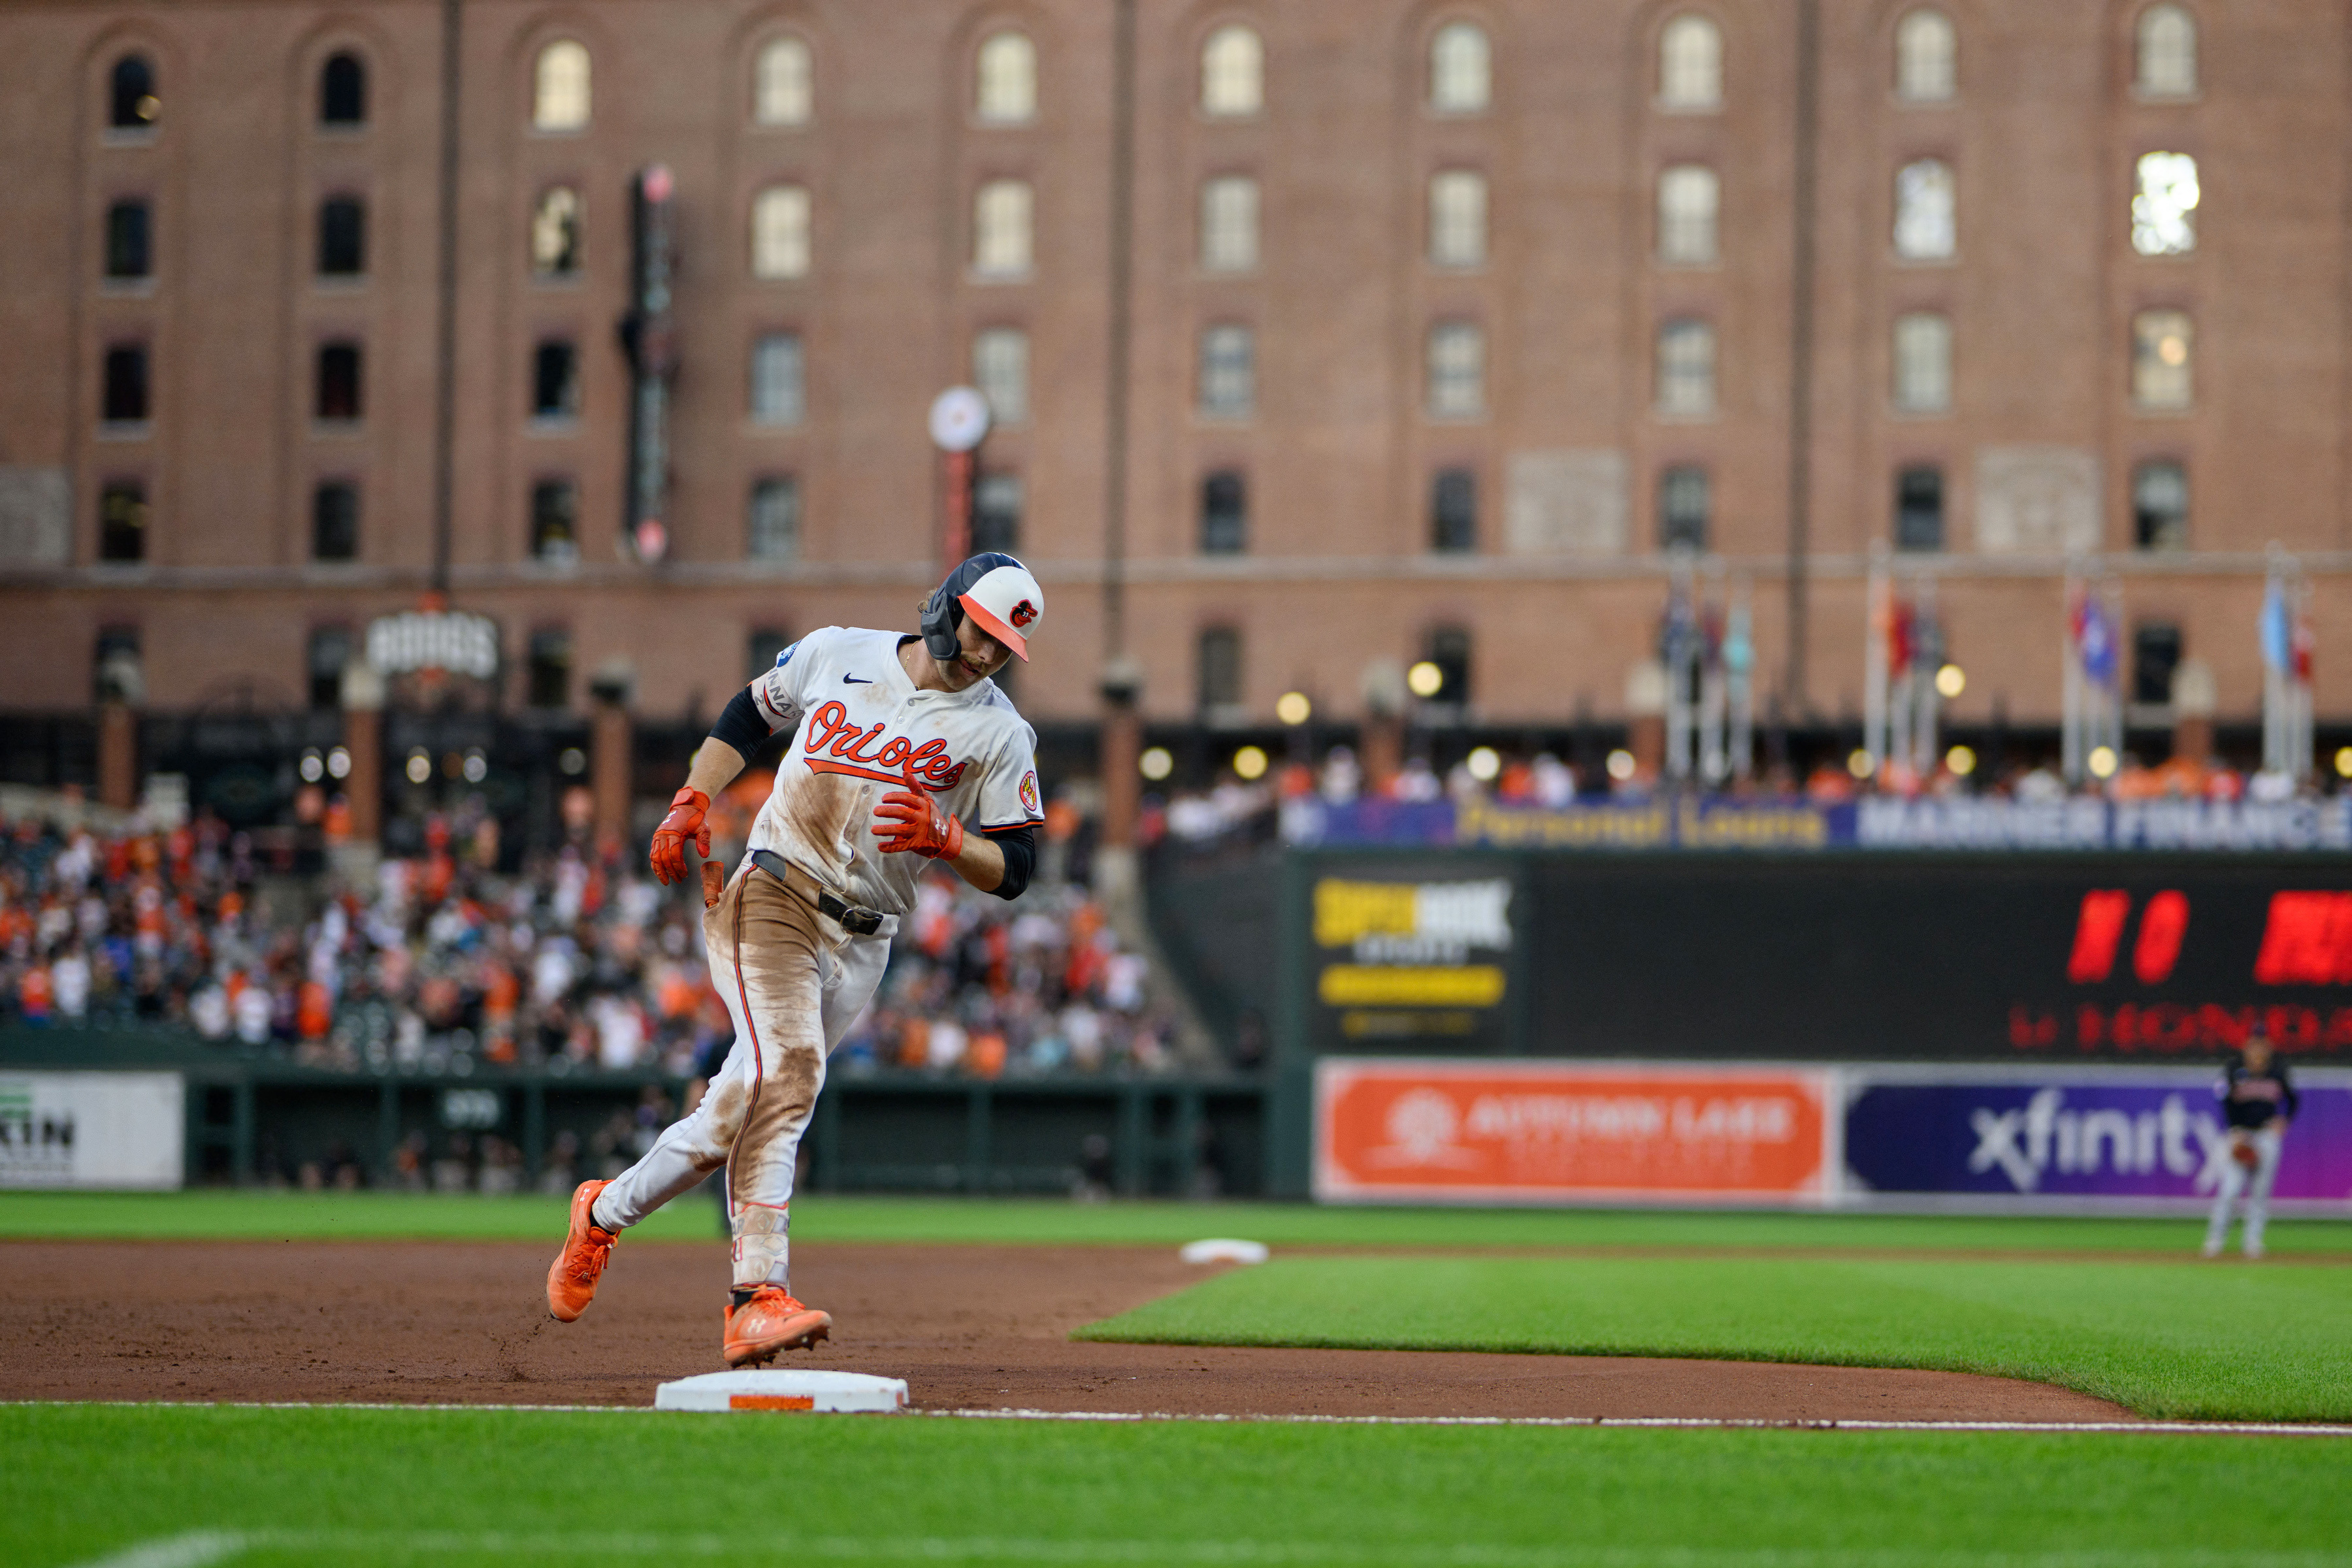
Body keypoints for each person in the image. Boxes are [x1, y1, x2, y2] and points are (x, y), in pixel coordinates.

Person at [544, 555, 1047, 1365]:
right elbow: (750, 714)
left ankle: (601, 1215)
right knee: (793, 1072)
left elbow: (1018, 869)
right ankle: (755, 1294)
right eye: (981, 630)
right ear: (946, 606)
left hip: (867, 939)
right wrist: (692, 797)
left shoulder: (1001, 732)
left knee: (728, 1117)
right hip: (775, 890)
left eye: (1004, 646)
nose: (987, 654)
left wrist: (952, 840)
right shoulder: (837, 651)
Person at [2202, 1030, 2298, 1260]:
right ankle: (2215, 1240)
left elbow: (2294, 1099)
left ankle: (2252, 1241)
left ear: (2268, 1049)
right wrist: (2234, 1130)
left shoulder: (2278, 1070)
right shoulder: (2234, 1069)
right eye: (2254, 1046)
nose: (2258, 1051)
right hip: (2241, 1134)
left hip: (2266, 1135)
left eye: (2262, 1046)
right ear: (2246, 1048)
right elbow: (2222, 1098)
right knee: (2230, 1189)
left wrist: (2284, 1120)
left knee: (2260, 1192)